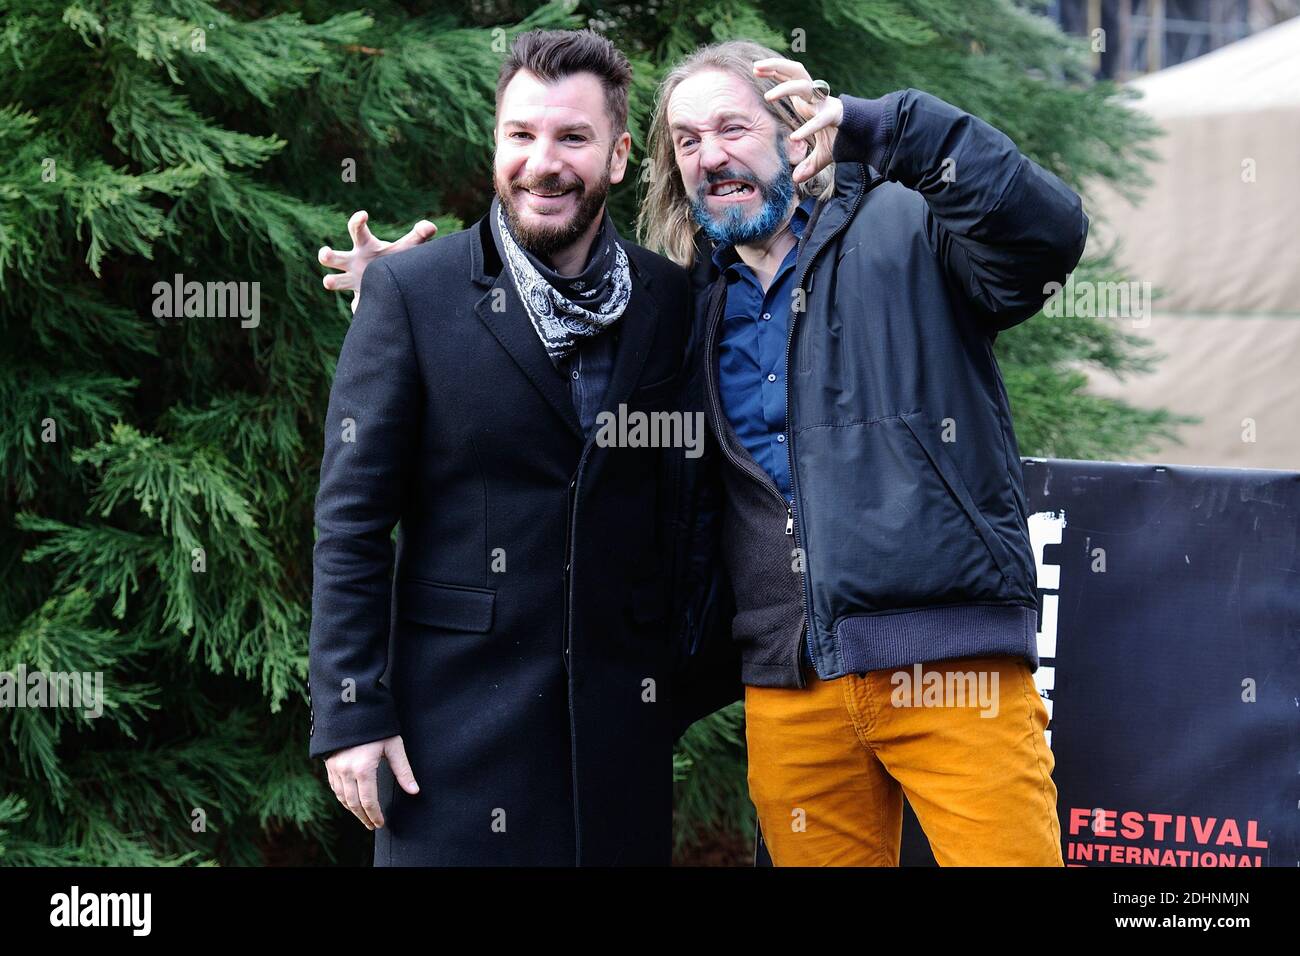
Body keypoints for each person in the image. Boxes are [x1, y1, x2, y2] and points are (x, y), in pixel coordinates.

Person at [323, 38, 1089, 867]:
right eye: (687, 141)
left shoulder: (905, 234)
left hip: (946, 662)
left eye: (732, 127)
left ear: (797, 129)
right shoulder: (693, 301)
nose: (711, 155)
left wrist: (887, 126)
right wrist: (416, 292)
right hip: (785, 685)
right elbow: (385, 502)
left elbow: (1044, 235)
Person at [307, 28, 738, 867]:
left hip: (616, 746)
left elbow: (695, 505)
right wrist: (353, 712)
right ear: (497, 144)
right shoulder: (411, 295)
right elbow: (351, 523)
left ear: (616, 158)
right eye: (522, 135)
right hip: (448, 742)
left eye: (573, 138)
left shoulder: (671, 301)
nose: (544, 162)